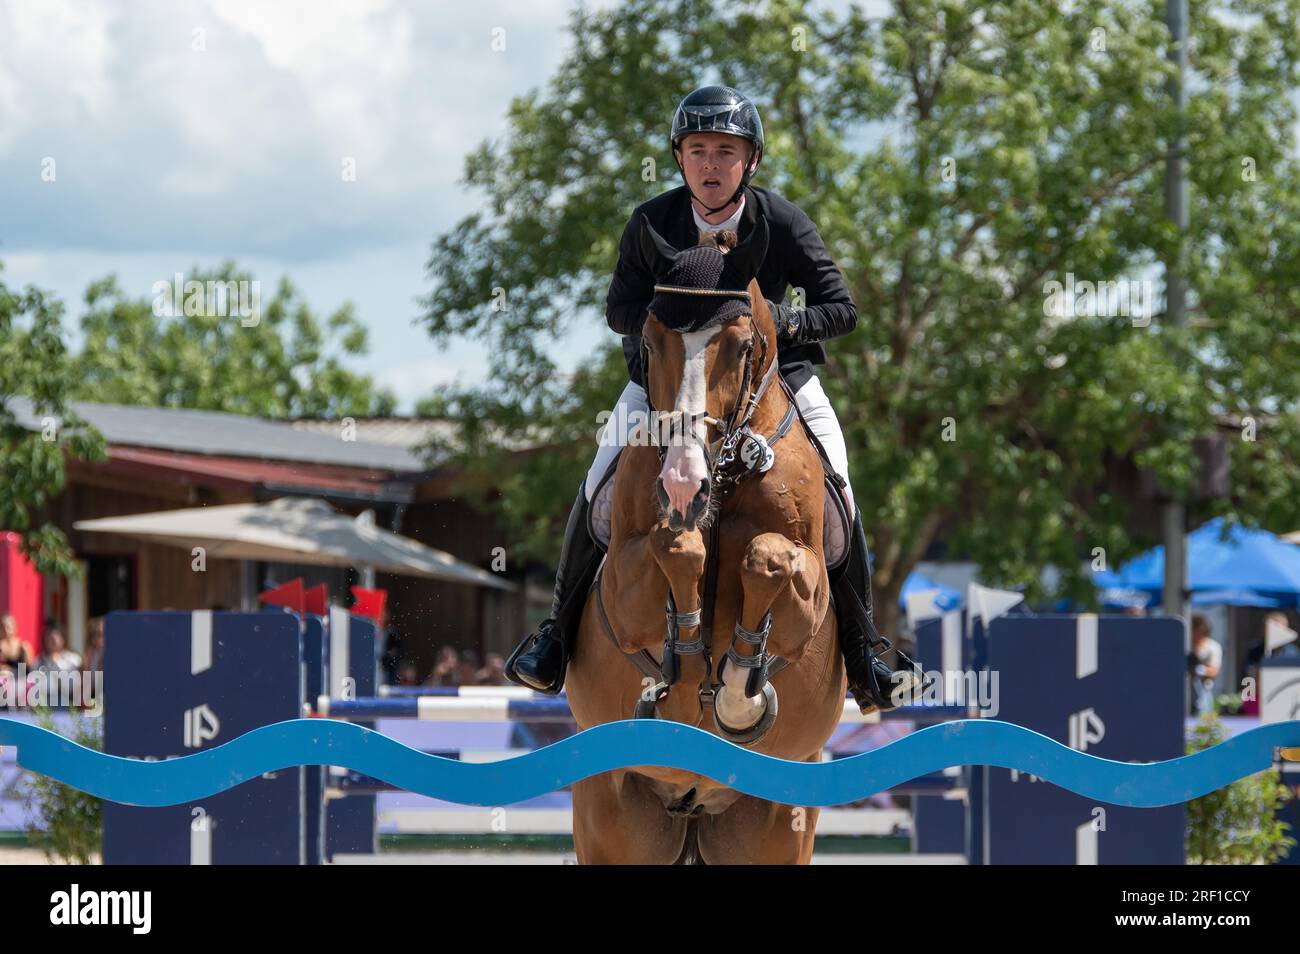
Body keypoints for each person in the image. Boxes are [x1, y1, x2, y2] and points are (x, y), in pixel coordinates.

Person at [505, 85, 922, 714]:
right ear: (679, 158)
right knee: (596, 486)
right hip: (666, 383)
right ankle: (554, 637)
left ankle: (865, 652)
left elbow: (843, 310)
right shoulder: (652, 222)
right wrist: (682, 322)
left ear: (750, 161)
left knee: (839, 489)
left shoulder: (782, 222)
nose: (710, 165)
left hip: (777, 382)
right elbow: (619, 307)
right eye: (697, 150)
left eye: (725, 151)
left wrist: (771, 322)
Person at [1188, 614, 1222, 716]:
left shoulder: (1212, 647)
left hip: (1203, 692)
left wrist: (1198, 670)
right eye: (1194, 630)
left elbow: (1214, 671)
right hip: (1184, 693)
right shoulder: (1185, 645)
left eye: (1199, 631)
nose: (1196, 634)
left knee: (1202, 722)